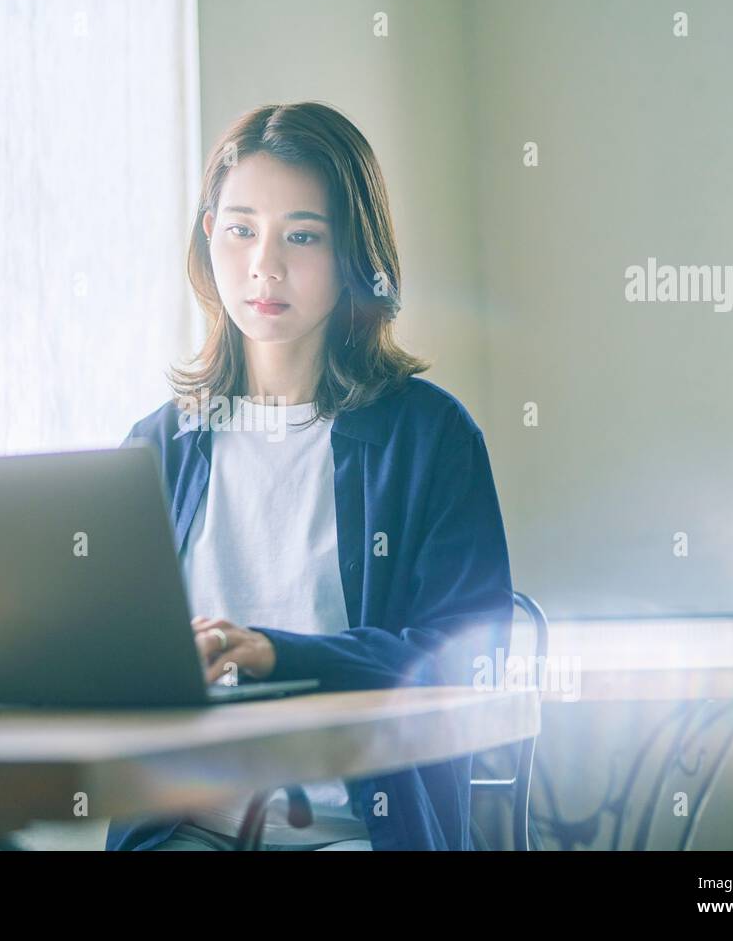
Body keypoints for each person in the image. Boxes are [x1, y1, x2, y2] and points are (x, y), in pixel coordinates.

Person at [108, 101, 513, 851]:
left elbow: (470, 661)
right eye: (241, 229)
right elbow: (114, 655)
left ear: (354, 253)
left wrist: (278, 652)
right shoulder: (158, 447)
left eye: (302, 235)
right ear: (209, 238)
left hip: (357, 831)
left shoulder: (431, 439)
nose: (265, 263)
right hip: (186, 827)